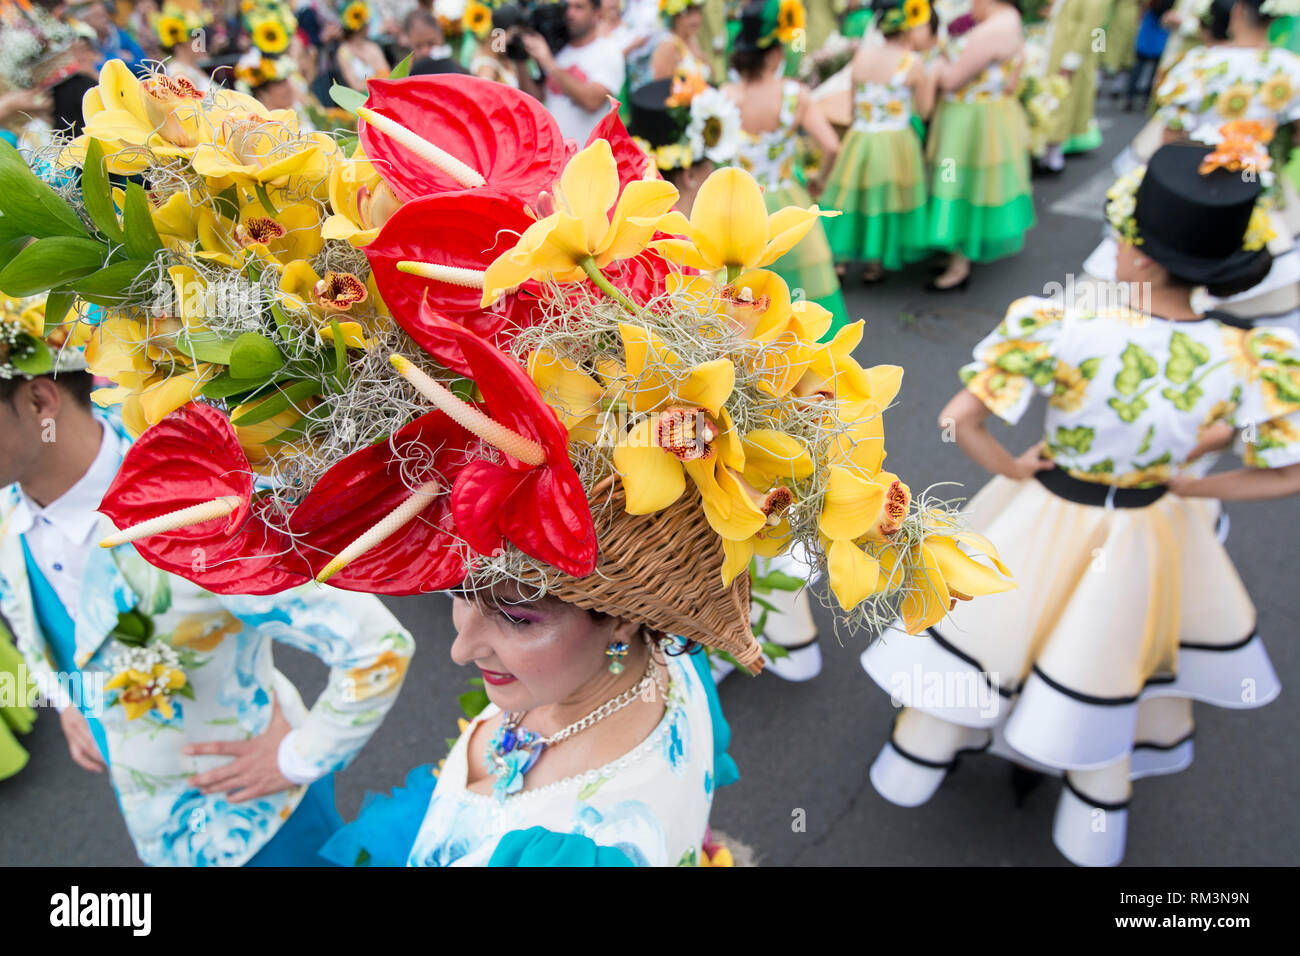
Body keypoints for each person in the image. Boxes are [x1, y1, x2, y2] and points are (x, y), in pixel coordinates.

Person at [860, 137, 1298, 866]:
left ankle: (920, 761)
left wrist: (1015, 468)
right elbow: (1285, 472)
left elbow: (963, 420)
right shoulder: (1251, 356)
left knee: (987, 636)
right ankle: (1091, 812)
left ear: (1141, 256)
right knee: (1106, 655)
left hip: (1045, 506)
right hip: (1148, 526)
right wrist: (1191, 482)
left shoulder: (1062, 320)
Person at [0, 324, 417, 866]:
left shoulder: (200, 505)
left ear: (38, 399)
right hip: (157, 827)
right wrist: (67, 701)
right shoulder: (8, 517)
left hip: (265, 824)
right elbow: (30, 618)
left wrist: (298, 756)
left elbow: (378, 644)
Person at [723, 0, 850, 337]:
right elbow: (832, 146)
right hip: (786, 203)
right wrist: (817, 182)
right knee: (800, 292)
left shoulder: (723, 98)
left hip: (740, 210)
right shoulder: (793, 95)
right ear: (775, 53)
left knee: (747, 295)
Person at [821, 0, 936, 284]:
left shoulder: (861, 56)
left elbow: (851, 107)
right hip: (895, 140)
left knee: (850, 198)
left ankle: (840, 260)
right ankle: (875, 264)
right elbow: (924, 110)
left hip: (860, 137)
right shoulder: (913, 63)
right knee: (882, 201)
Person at [924, 0, 1034, 291]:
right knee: (970, 185)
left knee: (959, 184)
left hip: (967, 120)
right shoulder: (1011, 19)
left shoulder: (991, 31)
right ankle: (955, 250)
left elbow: (951, 79)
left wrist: (933, 64)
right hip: (987, 114)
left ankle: (959, 260)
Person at [521, 0, 627, 143]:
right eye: (567, 7)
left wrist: (550, 64)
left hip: (587, 156)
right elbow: (535, 96)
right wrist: (518, 58)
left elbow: (592, 101)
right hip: (556, 155)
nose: (570, 14)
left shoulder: (608, 51)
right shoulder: (558, 50)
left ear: (596, 13)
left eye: (579, 7)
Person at [1037, 0, 1112, 172]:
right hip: (1059, 51)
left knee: (1062, 102)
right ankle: (1048, 154)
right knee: (1052, 101)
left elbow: (1089, 28)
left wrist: (1071, 61)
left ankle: (1053, 157)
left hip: (1070, 58)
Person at [152, 0, 213, 90]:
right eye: (197, 39)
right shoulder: (178, 73)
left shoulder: (191, 67)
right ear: (183, 44)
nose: (201, 44)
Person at [336, 0, 392, 89]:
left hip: (382, 91)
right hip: (362, 99)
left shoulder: (373, 47)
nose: (369, 24)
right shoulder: (343, 52)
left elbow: (387, 74)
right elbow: (355, 85)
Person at [651, 0, 710, 81]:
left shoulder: (693, 41)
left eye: (698, 12)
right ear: (675, 17)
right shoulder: (668, 46)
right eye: (688, 14)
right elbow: (661, 87)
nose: (695, 20)